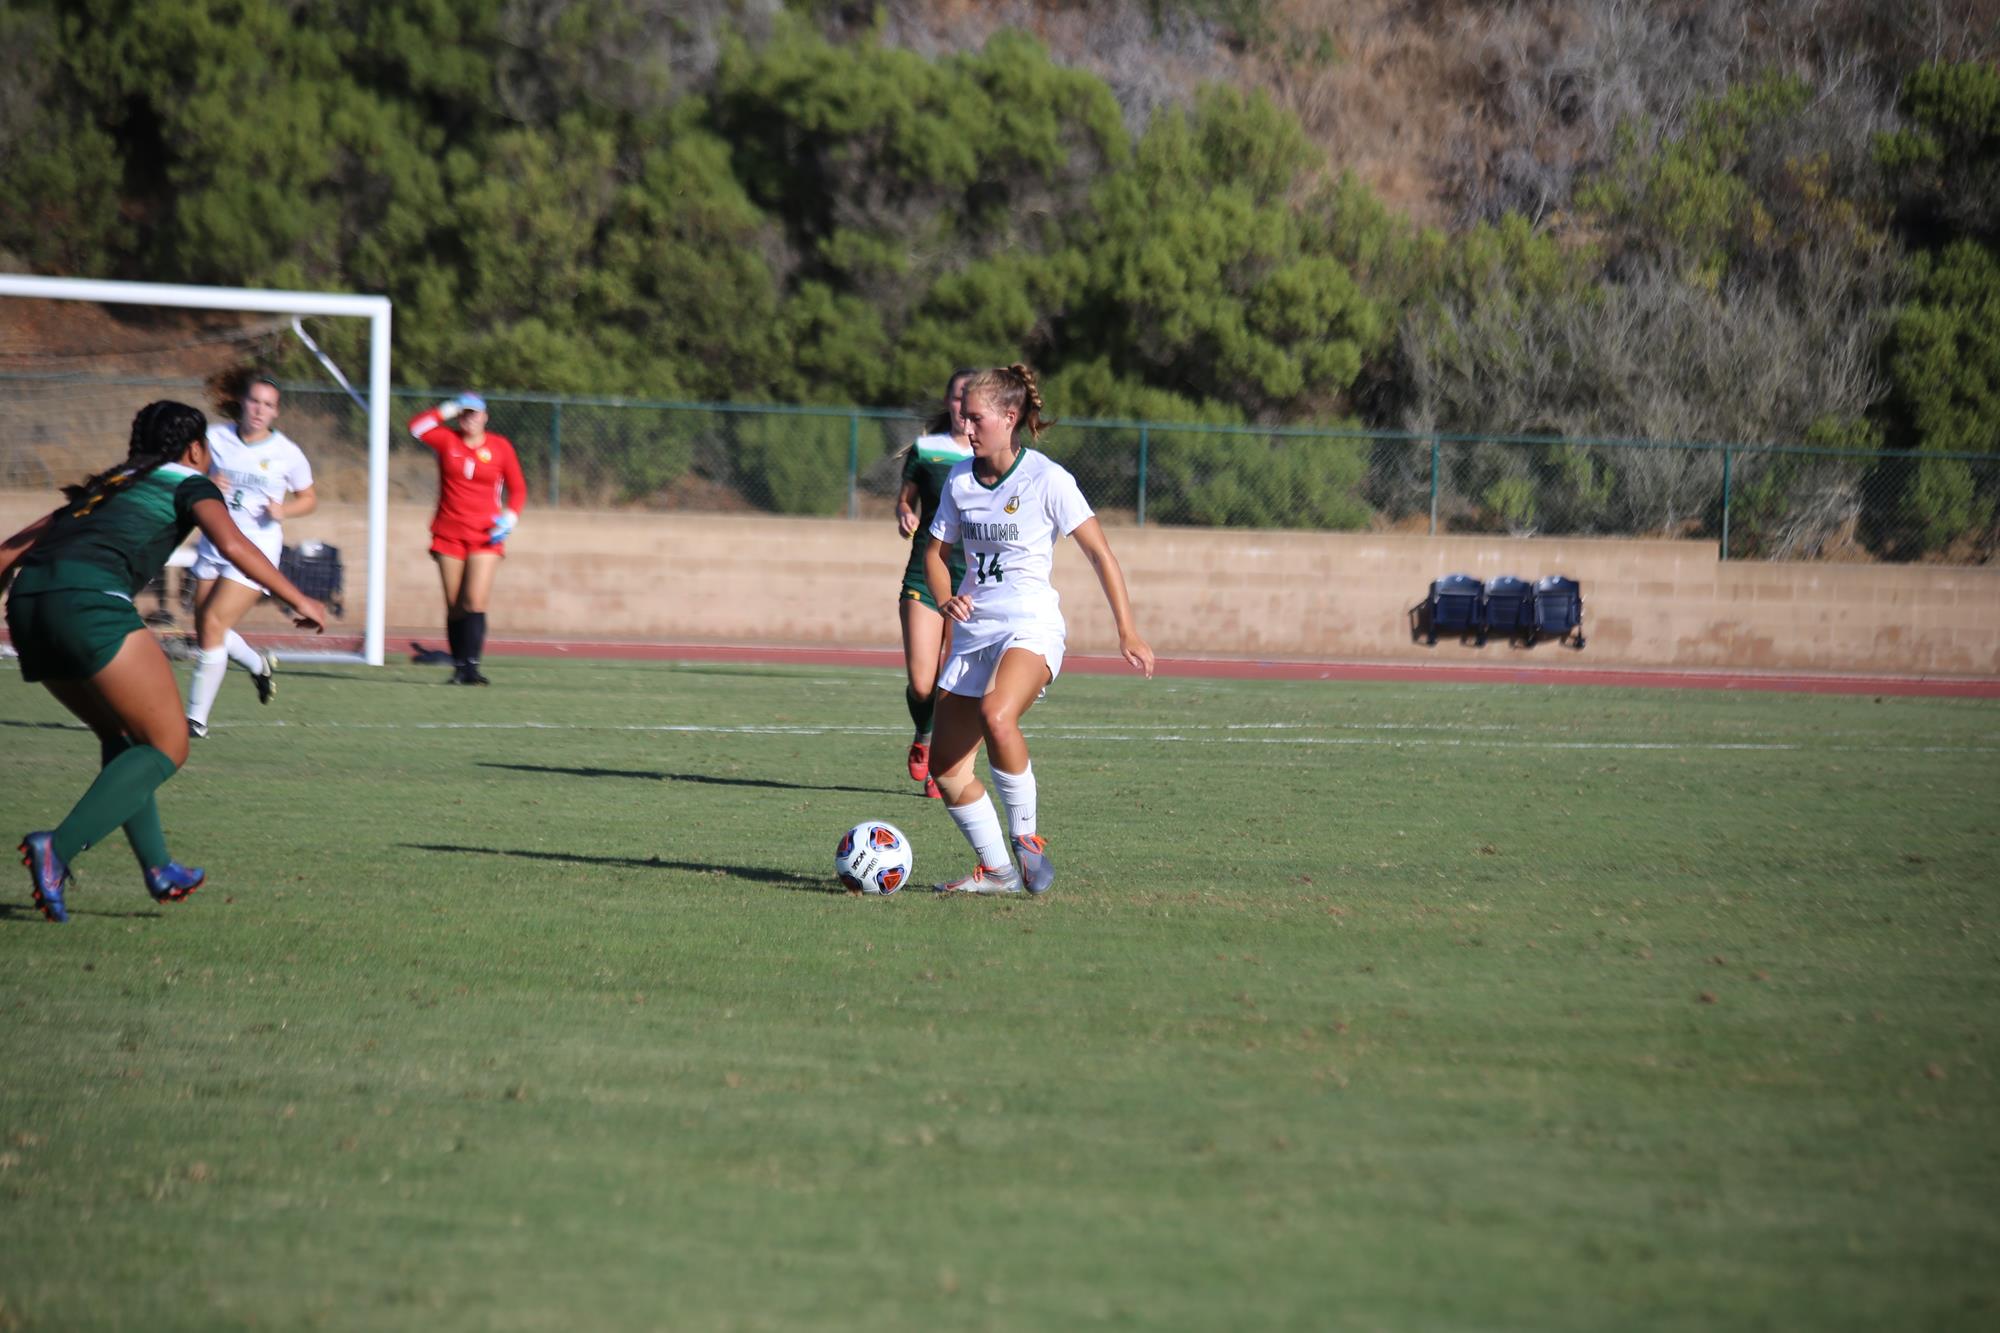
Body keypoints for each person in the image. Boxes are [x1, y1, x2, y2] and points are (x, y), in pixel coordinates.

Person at [2, 401, 327, 923]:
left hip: (28, 608)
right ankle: (55, 851)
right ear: (196, 449)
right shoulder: (189, 482)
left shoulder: (104, 485)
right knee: (169, 744)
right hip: (89, 605)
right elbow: (233, 543)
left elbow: (6, 552)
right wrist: (299, 598)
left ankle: (158, 867)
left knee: (126, 739)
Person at [921, 364, 1154, 896]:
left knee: (996, 714)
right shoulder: (960, 479)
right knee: (948, 771)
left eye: (975, 417)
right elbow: (936, 553)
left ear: (1010, 417)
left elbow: (1100, 552)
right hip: (976, 631)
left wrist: (1128, 630)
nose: (966, 426)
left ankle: (1026, 839)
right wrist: (944, 597)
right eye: (962, 415)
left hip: (1030, 625)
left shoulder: (1047, 479)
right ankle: (1000, 873)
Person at [184, 370, 317, 738]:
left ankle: (195, 720)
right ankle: (258, 665)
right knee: (207, 629)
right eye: (255, 401)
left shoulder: (287, 453)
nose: (259, 410)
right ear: (242, 403)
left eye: (268, 405)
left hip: (256, 551)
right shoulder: (214, 438)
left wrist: (284, 511)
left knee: (212, 625)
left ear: (276, 412)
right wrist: (204, 483)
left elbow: (309, 498)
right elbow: (185, 474)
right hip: (214, 543)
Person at [893, 369, 975, 799]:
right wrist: (905, 511)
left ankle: (939, 768)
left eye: (972, 399)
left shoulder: (992, 455)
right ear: (949, 403)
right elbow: (906, 497)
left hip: (974, 583)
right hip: (925, 575)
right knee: (923, 683)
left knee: (953, 681)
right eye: (959, 398)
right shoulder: (927, 449)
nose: (964, 408)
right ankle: (923, 734)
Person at [407, 393, 527, 684]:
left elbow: (518, 489)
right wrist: (447, 409)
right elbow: (416, 427)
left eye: (475, 413)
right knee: (455, 604)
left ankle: (472, 666)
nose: (470, 418)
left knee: (475, 601)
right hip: (449, 533)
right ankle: (460, 667)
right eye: (465, 413)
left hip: (485, 535)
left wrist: (509, 518)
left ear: (485, 417)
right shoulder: (447, 440)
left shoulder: (500, 447)